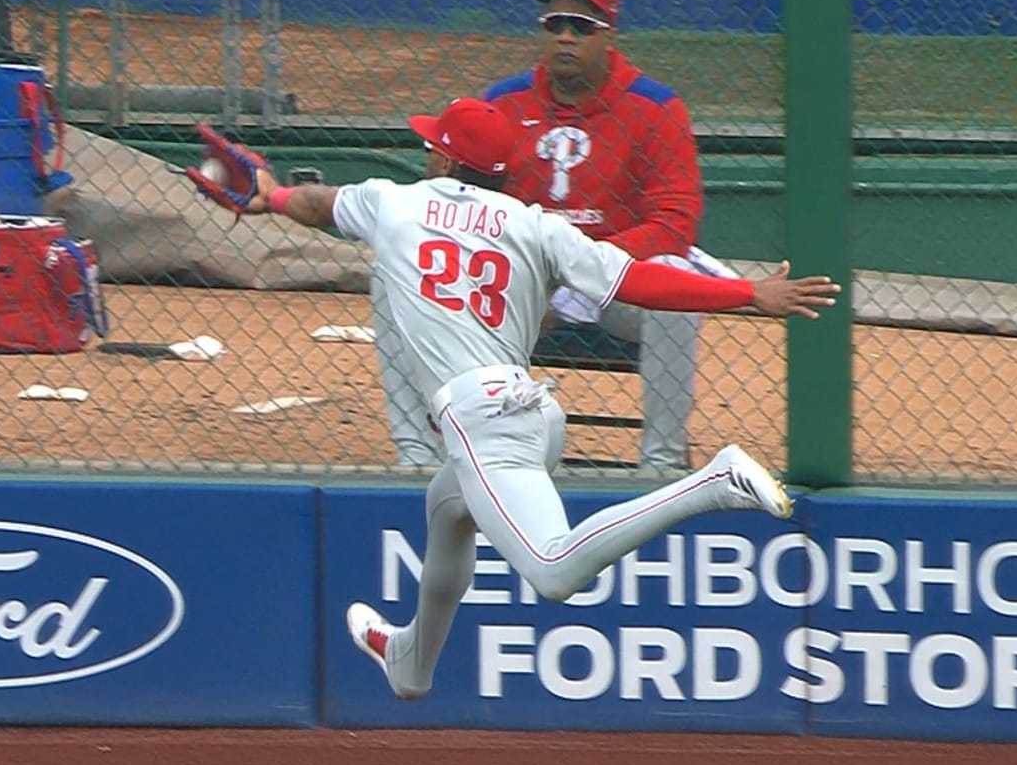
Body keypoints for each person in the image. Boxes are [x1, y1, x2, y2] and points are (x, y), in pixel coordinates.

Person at [229, 97, 840, 700]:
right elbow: (638, 280)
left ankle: (714, 483)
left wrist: (268, 195)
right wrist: (745, 293)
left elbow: (313, 203)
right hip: (533, 414)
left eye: (430, 146)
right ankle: (409, 661)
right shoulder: (536, 223)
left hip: (484, 420)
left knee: (553, 572)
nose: (424, 152)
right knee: (448, 513)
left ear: (444, 163)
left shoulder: (394, 202)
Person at [373, 0, 712, 471]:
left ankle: (659, 467)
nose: (566, 37)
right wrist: (535, 279)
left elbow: (674, 224)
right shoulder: (503, 103)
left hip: (611, 285)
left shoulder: (656, 106)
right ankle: (417, 457)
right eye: (554, 25)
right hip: (514, 281)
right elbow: (458, 201)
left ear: (610, 34)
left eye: (582, 26)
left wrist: (579, 276)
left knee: (676, 281)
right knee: (397, 275)